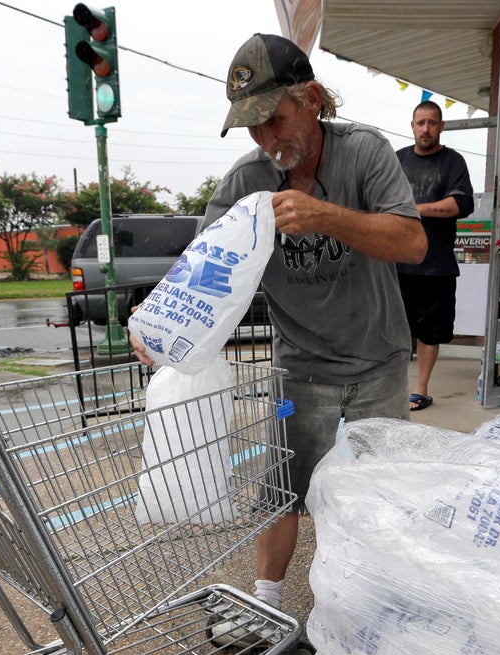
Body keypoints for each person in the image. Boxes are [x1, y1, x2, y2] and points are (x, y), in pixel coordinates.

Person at [132, 33, 425, 613]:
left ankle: (373, 605)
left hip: (380, 359)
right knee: (280, 488)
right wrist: (157, 323)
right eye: (253, 127)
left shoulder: (365, 153)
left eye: (276, 119)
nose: (268, 140)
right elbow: (201, 269)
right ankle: (267, 600)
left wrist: (326, 216)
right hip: (301, 367)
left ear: (313, 98)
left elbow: (412, 242)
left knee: (383, 492)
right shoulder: (245, 182)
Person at [395, 100, 475, 412]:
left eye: (432, 122)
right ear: (412, 125)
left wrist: (415, 209)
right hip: (395, 262)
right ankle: (392, 388)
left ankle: (421, 389)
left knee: (430, 333)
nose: (425, 128)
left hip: (436, 266)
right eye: (420, 122)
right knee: (394, 332)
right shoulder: (397, 160)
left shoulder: (452, 162)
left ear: (441, 126)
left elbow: (460, 204)